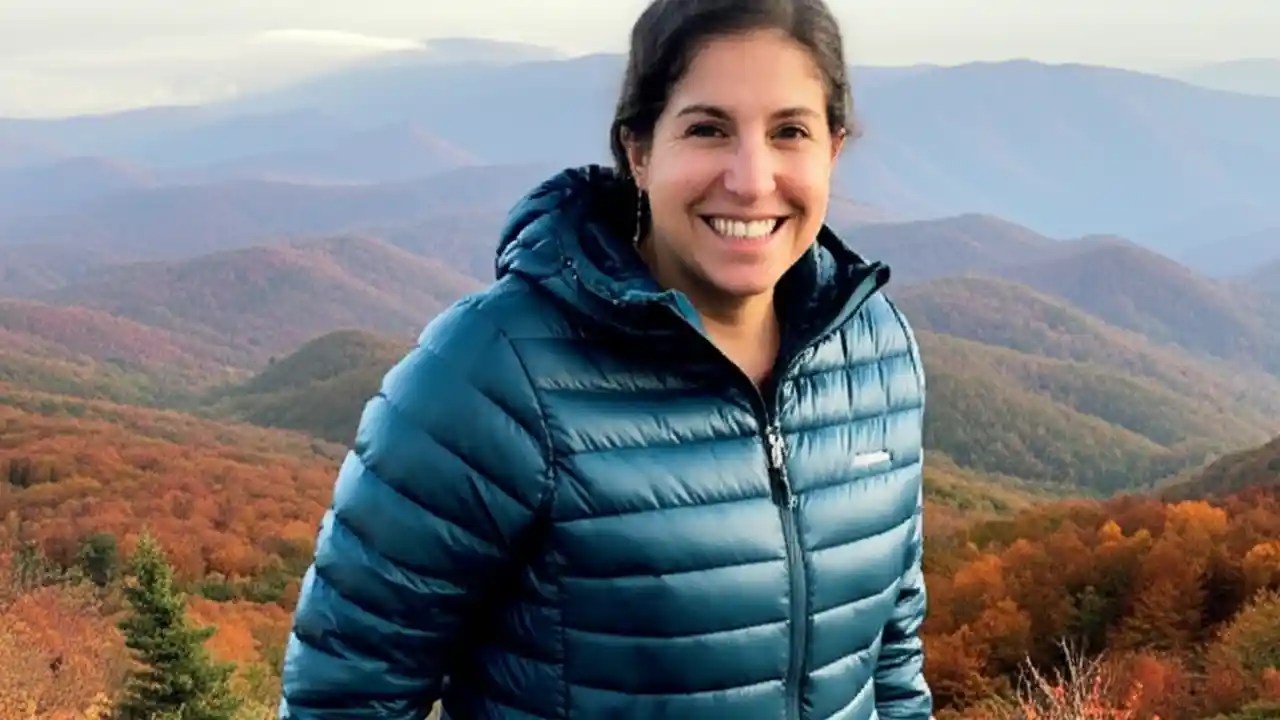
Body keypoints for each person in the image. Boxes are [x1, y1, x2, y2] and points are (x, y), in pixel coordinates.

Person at [277, 0, 932, 718]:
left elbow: (890, 665)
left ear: (832, 150)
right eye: (708, 129)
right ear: (639, 151)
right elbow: (345, 699)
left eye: (790, 132)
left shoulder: (875, 355)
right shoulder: (492, 375)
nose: (751, 178)